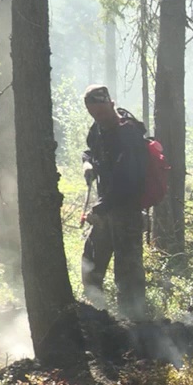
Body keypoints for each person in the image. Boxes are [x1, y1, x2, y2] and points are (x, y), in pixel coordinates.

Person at [80, 84, 147, 321]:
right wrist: (87, 164)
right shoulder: (97, 129)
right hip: (105, 210)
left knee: (128, 274)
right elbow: (90, 152)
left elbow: (128, 179)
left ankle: (136, 324)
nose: (98, 117)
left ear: (111, 104)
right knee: (91, 263)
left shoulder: (128, 133)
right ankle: (98, 316)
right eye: (93, 113)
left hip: (126, 212)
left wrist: (102, 206)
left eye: (101, 111)